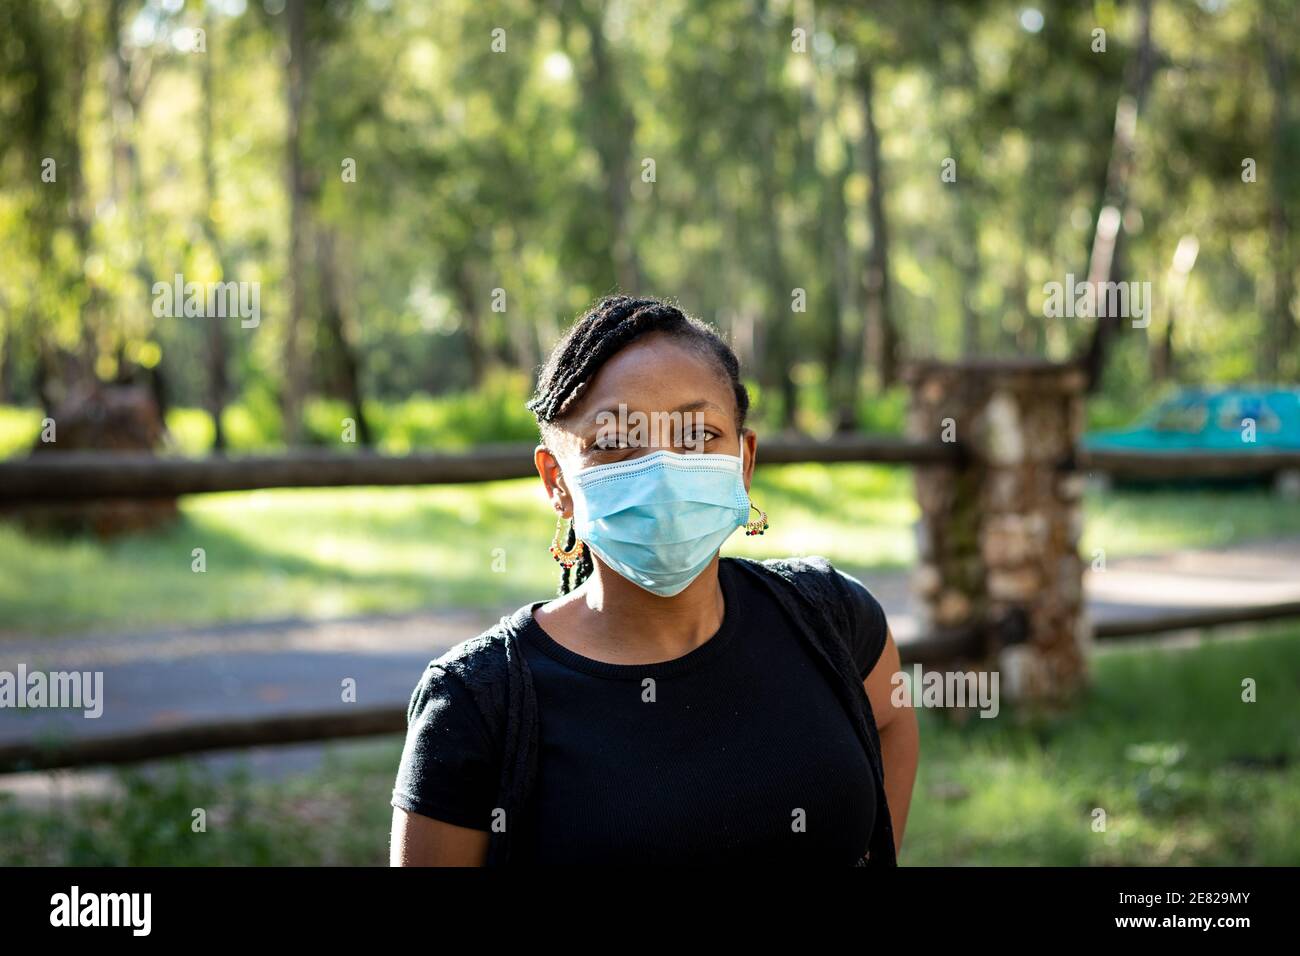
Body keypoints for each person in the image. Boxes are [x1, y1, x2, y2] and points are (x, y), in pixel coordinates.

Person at [390, 294, 919, 865]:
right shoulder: (477, 702)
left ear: (743, 461)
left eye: (697, 435)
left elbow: (891, 723)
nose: (664, 470)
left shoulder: (831, 618)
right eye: (615, 442)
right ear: (556, 482)